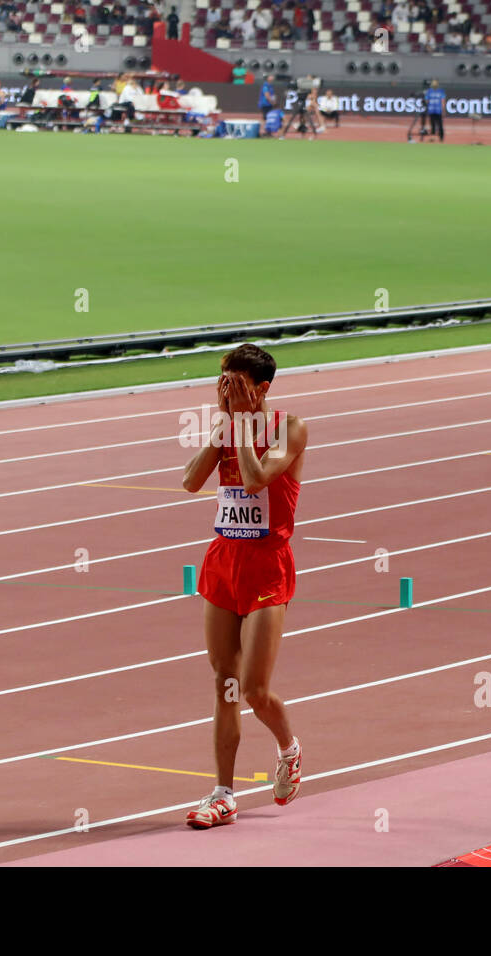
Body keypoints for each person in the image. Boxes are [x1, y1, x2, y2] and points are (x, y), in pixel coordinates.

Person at [180, 344, 308, 829]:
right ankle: (223, 793)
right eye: (221, 383)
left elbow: (255, 480)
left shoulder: (291, 427)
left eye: (233, 385)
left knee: (254, 690)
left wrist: (243, 423)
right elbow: (191, 482)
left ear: (261, 389)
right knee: (224, 684)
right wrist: (225, 427)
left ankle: (288, 747)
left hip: (266, 566)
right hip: (223, 561)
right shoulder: (227, 426)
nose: (224, 392)